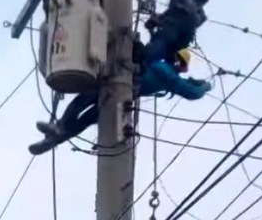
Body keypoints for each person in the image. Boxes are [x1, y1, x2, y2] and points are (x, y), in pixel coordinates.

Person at [29, 46, 211, 154]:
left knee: (83, 107)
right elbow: (189, 91)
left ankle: (56, 135)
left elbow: (184, 86)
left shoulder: (165, 71)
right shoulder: (167, 74)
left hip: (115, 86)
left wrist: (199, 86)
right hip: (118, 90)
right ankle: (56, 136)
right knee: (84, 111)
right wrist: (202, 86)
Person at [143, 0, 210, 64]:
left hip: (176, 43)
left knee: (158, 61)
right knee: (151, 55)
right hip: (168, 36)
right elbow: (173, 1)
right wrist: (181, 6)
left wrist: (189, 9)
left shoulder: (200, 14)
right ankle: (142, 66)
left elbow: (197, 21)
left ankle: (143, 67)